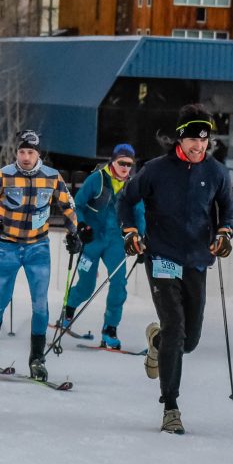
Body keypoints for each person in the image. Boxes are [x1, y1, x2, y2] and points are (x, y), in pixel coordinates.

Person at [117, 106, 233, 435]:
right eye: (193, 140)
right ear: (180, 138)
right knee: (175, 325)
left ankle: (157, 342)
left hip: (197, 259)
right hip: (162, 256)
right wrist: (130, 231)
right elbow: (126, 200)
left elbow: (228, 207)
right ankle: (171, 406)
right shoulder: (155, 170)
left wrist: (225, 233)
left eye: (205, 140)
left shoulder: (216, 173)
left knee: (190, 340)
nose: (200, 146)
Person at [0, 129, 81, 382]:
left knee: (40, 305)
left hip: (38, 248)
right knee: (2, 300)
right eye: (21, 152)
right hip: (7, 246)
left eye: (30, 152)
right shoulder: (4, 175)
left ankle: (37, 358)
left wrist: (74, 232)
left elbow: (68, 205)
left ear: (38, 154)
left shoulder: (52, 177)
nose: (25, 157)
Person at [62, 143, 141, 349]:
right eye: (121, 163)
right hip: (91, 239)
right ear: (112, 162)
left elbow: (139, 213)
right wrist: (80, 226)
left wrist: (141, 239)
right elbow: (76, 205)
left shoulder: (132, 186)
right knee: (87, 287)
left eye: (129, 164)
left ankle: (110, 329)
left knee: (119, 286)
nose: (125, 168)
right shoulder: (96, 179)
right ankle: (69, 307)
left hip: (115, 240)